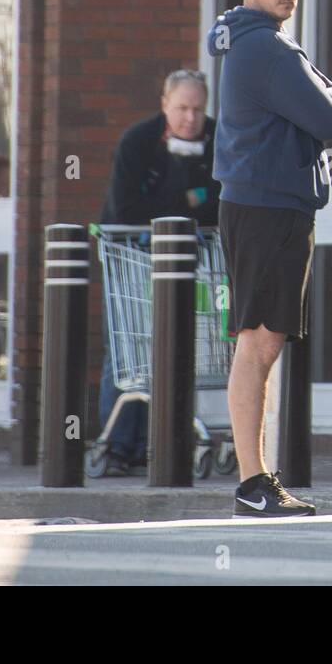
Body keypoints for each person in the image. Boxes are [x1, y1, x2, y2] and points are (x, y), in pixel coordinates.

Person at [210, 0, 332, 518]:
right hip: (267, 209)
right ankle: (252, 484)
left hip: (268, 206)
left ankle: (257, 479)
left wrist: (328, 95)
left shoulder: (254, 42)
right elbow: (329, 116)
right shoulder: (266, 49)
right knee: (258, 340)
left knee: (262, 340)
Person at [95, 69, 221, 475]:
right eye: (181, 108)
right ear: (165, 104)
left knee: (189, 347)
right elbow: (127, 208)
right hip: (133, 260)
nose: (189, 118)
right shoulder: (139, 142)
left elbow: (224, 201)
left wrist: (182, 201)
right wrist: (187, 199)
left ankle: (165, 441)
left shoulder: (220, 140)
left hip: (194, 265)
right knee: (130, 347)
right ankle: (120, 446)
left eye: (197, 109)